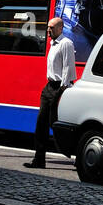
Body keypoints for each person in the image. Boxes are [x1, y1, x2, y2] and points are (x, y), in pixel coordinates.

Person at [24, 16, 76, 169]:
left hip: (59, 88)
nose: (48, 30)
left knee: (58, 125)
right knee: (41, 125)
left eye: (51, 28)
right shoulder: (53, 43)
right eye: (48, 27)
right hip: (49, 87)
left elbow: (68, 69)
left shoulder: (66, 43)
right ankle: (39, 160)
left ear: (60, 28)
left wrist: (62, 91)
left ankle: (78, 155)